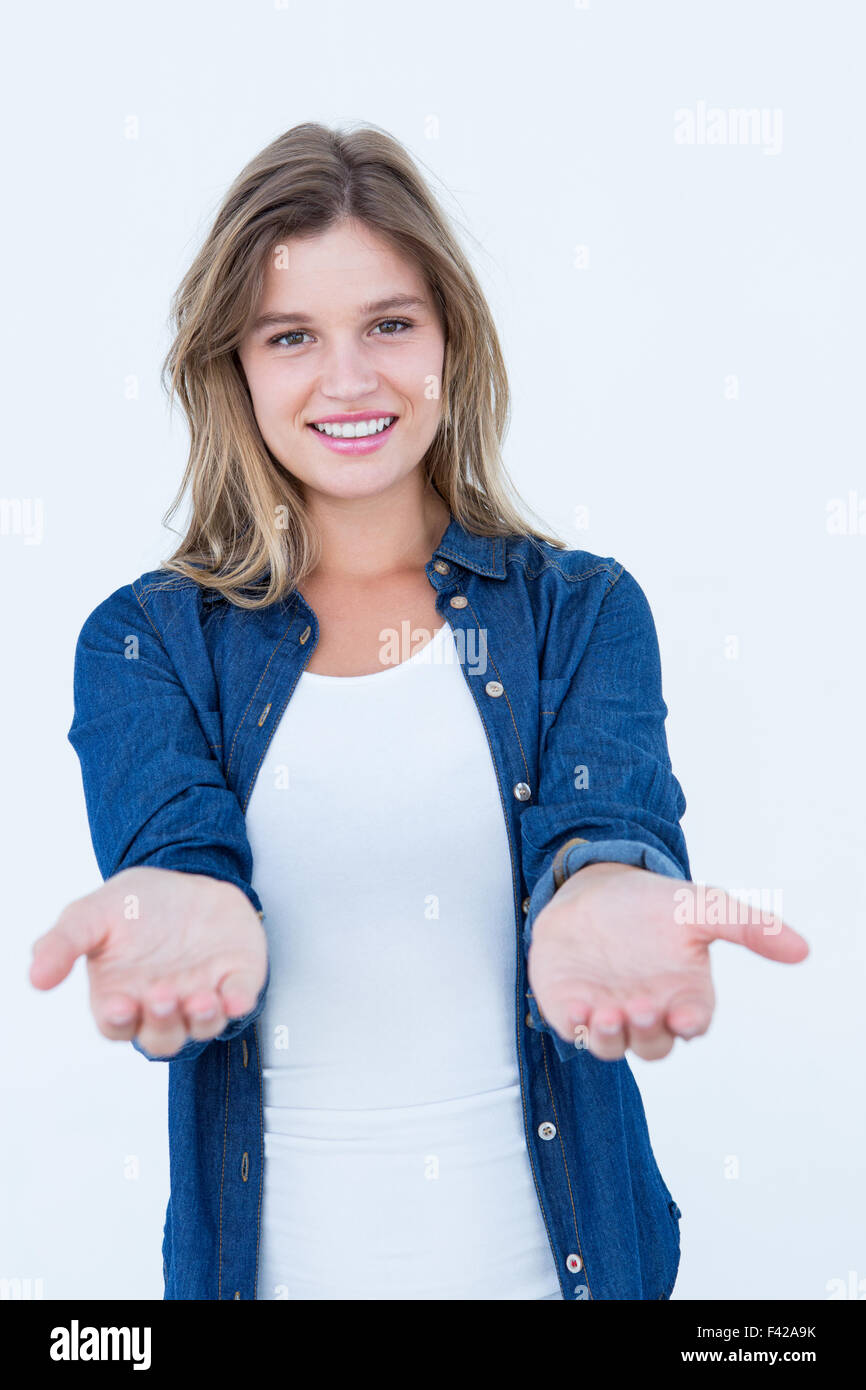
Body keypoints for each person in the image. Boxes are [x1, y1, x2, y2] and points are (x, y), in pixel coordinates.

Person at [30, 122, 809, 1301]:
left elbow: (602, 827)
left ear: (450, 339)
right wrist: (184, 898)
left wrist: (605, 891)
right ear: (231, 365)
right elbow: (174, 852)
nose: (349, 380)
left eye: (389, 324)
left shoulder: (578, 611)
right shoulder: (144, 642)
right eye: (291, 336)